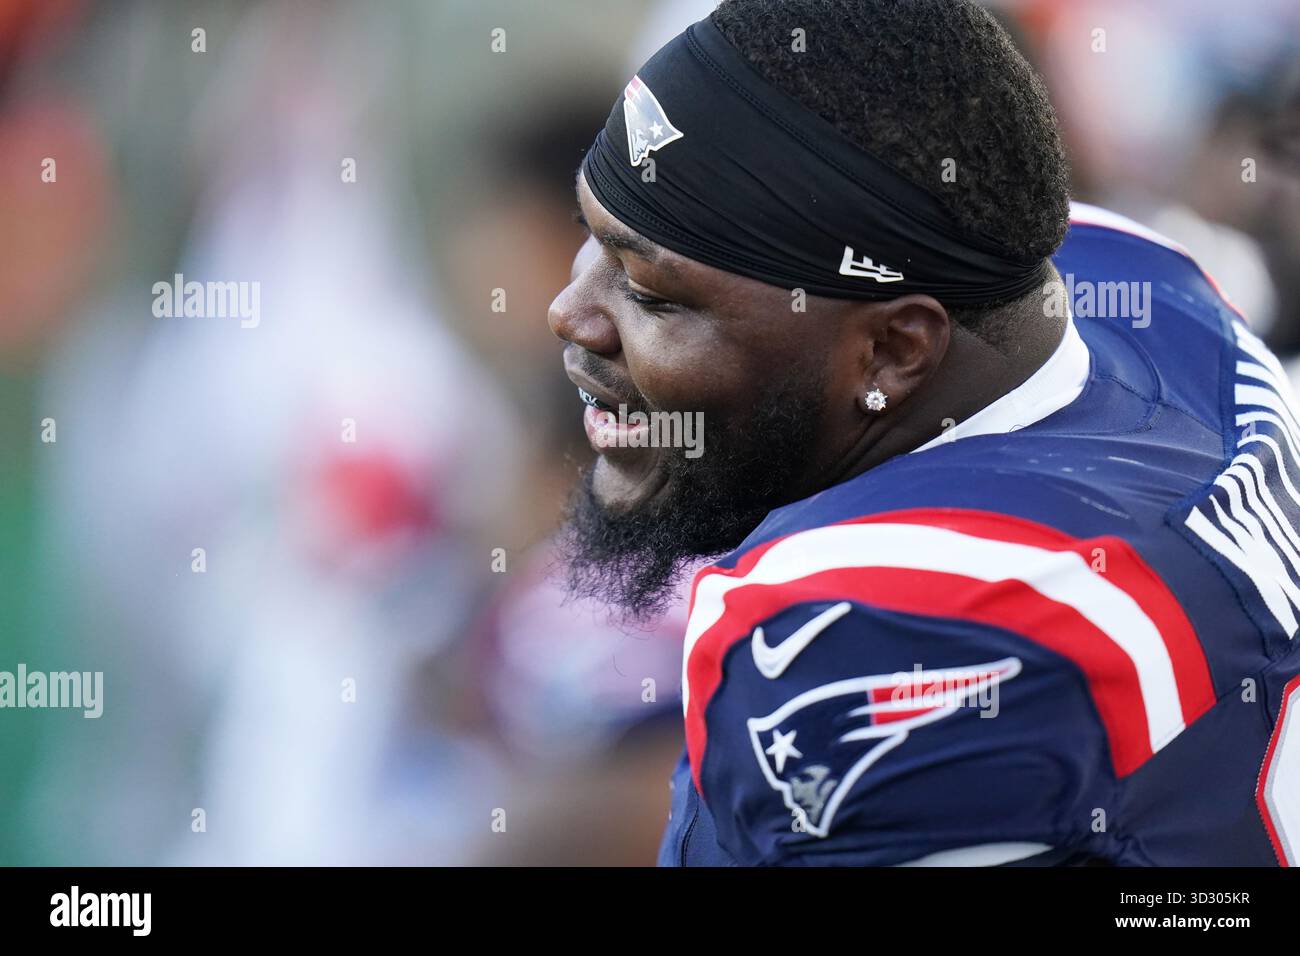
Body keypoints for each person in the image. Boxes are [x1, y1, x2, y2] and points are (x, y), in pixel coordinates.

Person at [546, 0, 1300, 866]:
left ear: (894, 350)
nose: (570, 314)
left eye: (651, 292)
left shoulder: (871, 638)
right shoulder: (1119, 272)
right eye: (589, 236)